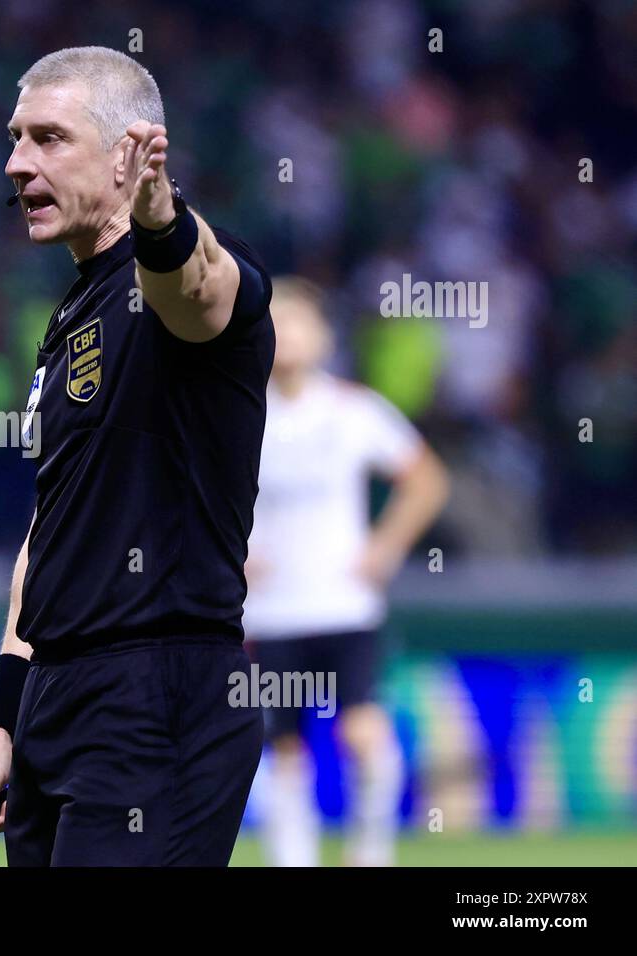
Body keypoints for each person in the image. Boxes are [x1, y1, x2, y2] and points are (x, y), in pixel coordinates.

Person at [0, 46, 274, 866]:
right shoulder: (67, 320)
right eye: (16, 138)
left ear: (128, 149)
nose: (16, 164)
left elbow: (197, 287)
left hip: (159, 691)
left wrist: (161, 218)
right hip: (58, 700)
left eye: (49, 138)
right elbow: (52, 525)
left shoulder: (187, 271)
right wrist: (4, 709)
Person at [243, 276, 450, 866]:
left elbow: (426, 479)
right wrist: (232, 553)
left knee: (366, 736)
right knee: (281, 751)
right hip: (270, 612)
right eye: (275, 321)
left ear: (326, 334)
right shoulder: (240, 411)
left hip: (344, 606)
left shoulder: (354, 411)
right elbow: (185, 492)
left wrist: (386, 547)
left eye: (300, 320)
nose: (288, 334)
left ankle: (370, 854)